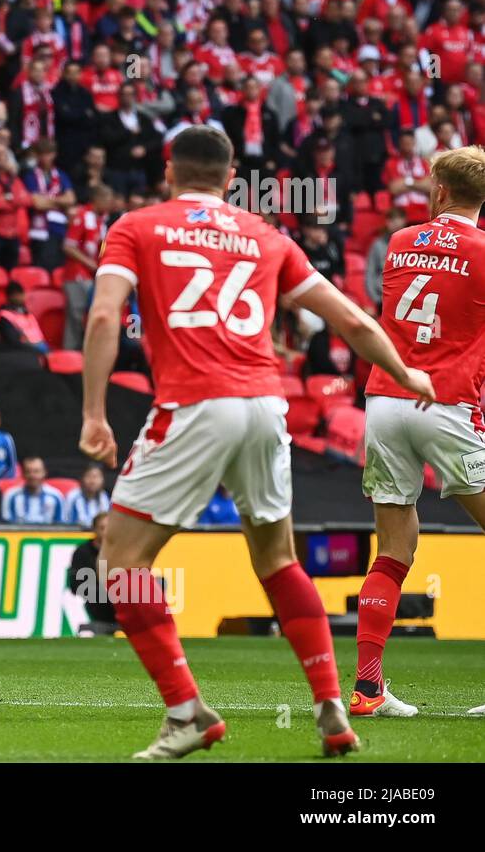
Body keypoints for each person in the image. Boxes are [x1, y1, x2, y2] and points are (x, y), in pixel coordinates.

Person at [78, 125, 434, 760]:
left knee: (122, 566)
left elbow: (105, 315)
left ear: (169, 170)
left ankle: (187, 711)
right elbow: (350, 317)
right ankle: (331, 706)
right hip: (268, 406)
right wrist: (406, 373)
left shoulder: (137, 225)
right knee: (278, 560)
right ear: (231, 174)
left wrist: (95, 413)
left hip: (193, 404)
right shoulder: (267, 235)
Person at [354, 146, 485, 719]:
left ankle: (367, 689)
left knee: (393, 551)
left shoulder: (401, 242)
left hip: (386, 399)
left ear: (439, 191)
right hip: (449, 401)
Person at [67, 511, 116, 632]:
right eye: (102, 528)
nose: (106, 532)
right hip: (96, 604)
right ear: (94, 530)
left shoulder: (121, 551)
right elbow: (76, 585)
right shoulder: (83, 552)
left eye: (110, 528)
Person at [1, 455, 62, 524]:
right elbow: (6, 525)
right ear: (23, 474)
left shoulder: (55, 496)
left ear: (44, 472)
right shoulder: (11, 495)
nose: (32, 475)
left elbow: (61, 526)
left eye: (36, 471)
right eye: (28, 471)